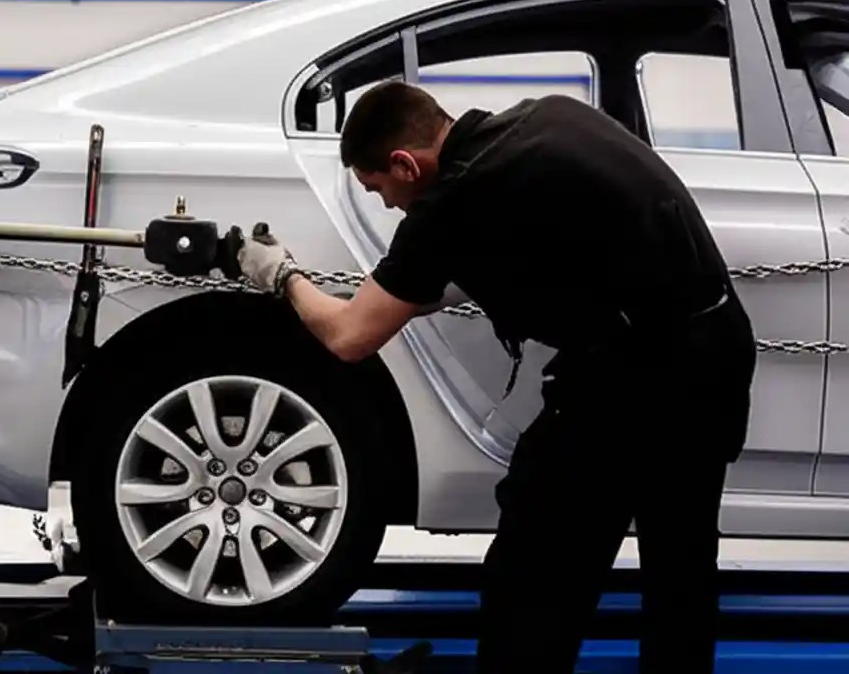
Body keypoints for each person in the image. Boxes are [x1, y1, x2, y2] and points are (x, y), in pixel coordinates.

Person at [234, 81, 757, 673]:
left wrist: (281, 276)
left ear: (406, 163)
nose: (386, 206)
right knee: (680, 570)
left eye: (379, 188)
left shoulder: (454, 201)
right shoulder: (550, 118)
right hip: (715, 352)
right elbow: (541, 248)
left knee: (534, 571)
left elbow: (351, 337)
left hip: (634, 382)